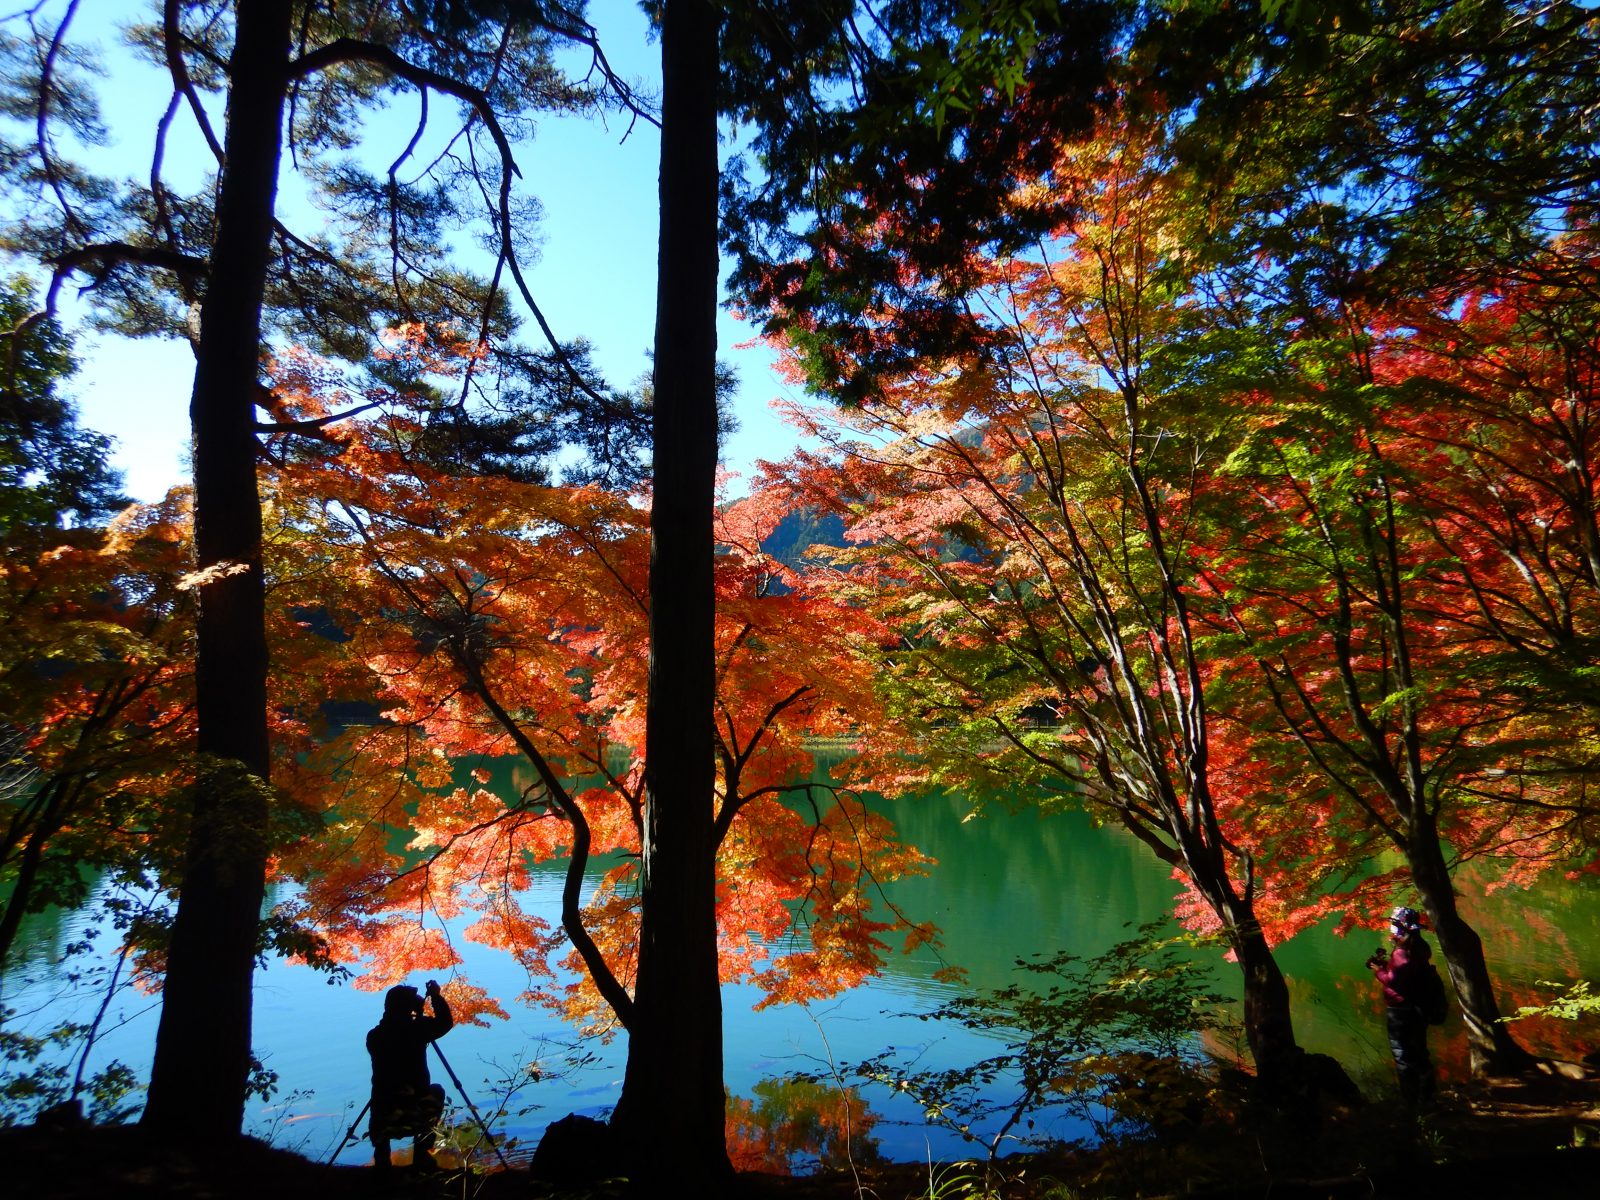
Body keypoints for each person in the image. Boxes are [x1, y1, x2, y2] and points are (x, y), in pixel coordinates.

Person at [367, 978, 453, 1172]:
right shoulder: (418, 1030)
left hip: (384, 1108)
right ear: (407, 1007)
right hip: (415, 1106)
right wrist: (436, 997)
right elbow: (445, 1022)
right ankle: (421, 1154)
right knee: (437, 1091)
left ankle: (382, 1159)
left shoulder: (375, 1036)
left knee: (380, 1099)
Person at [1366, 906, 1437, 1107]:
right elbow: (1407, 975)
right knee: (1420, 1052)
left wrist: (1378, 970)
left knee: (1402, 1055)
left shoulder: (1401, 953)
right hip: (1419, 1008)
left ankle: (1411, 1102)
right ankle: (1428, 1096)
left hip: (1401, 1011)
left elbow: (1394, 981)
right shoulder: (1421, 947)